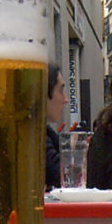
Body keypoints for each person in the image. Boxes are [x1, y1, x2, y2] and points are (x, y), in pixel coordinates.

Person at [45, 62, 68, 191]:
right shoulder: (32, 138)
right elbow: (58, 173)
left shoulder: (46, 134)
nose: (65, 99)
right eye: (61, 90)